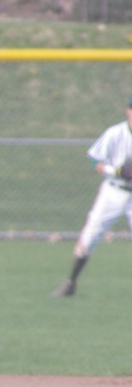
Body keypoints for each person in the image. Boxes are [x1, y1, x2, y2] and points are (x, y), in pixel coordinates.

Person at [53, 97, 132, 297]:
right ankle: (70, 283)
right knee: (89, 236)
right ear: (127, 111)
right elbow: (94, 162)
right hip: (113, 192)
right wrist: (117, 171)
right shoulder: (115, 133)